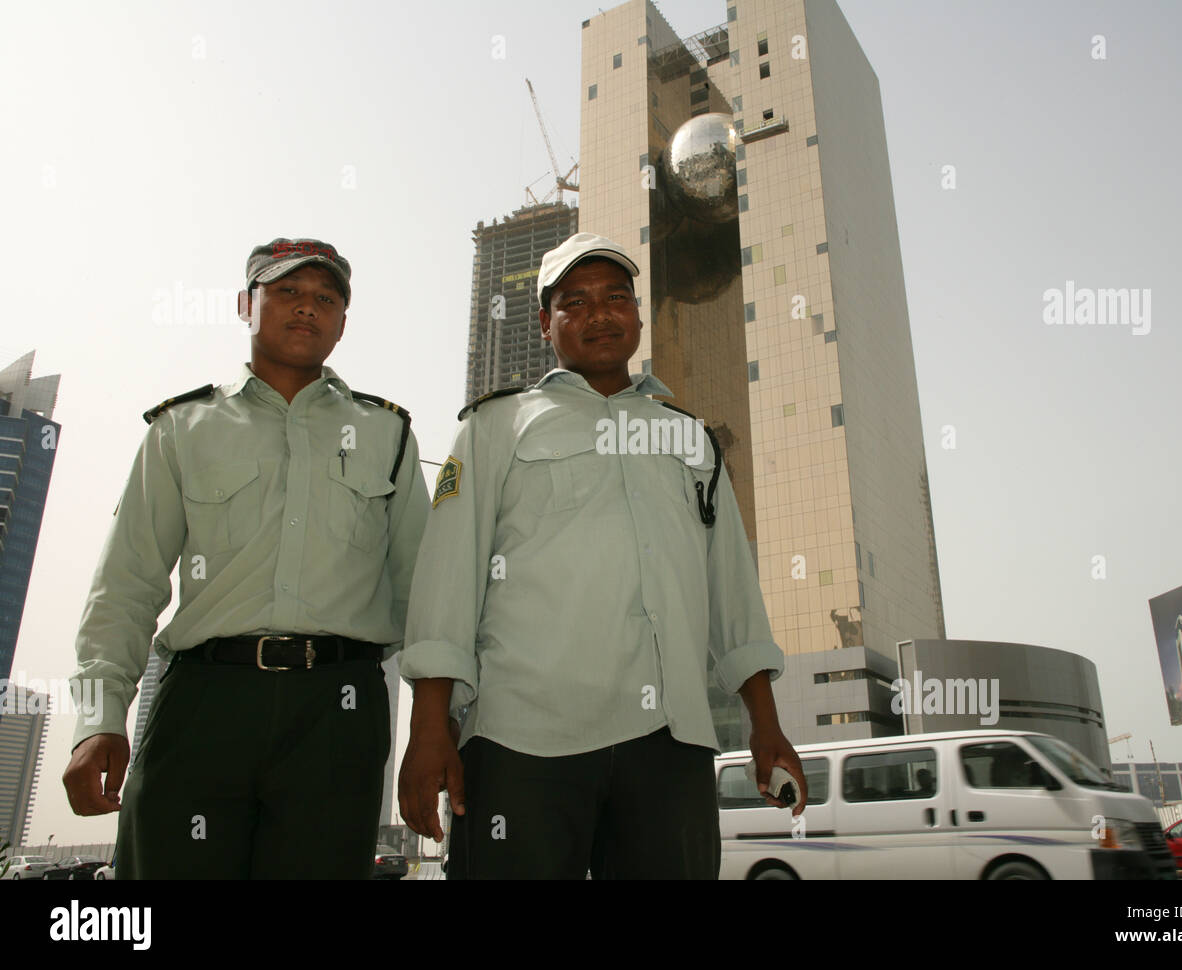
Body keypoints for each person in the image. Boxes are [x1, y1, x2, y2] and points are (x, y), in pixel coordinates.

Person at [398, 232, 806, 879]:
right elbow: (446, 583)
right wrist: (429, 729)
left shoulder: (690, 439)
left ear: (639, 315)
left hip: (670, 747)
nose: (600, 314)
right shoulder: (494, 428)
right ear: (544, 323)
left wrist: (766, 724)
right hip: (523, 741)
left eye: (616, 298)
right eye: (576, 302)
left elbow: (732, 593)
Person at [62, 237, 431, 879]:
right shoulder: (182, 428)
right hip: (205, 703)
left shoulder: (387, 434)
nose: (307, 308)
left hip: (338, 709)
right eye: (286, 291)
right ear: (245, 304)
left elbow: (424, 597)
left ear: (344, 320)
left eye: (326, 297)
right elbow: (126, 584)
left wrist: (433, 726)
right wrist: (99, 717)